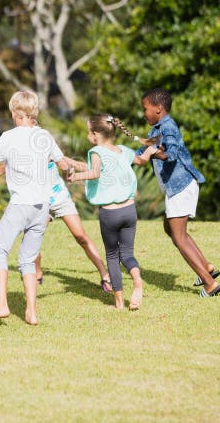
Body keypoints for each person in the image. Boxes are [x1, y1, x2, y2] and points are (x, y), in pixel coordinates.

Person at [0, 90, 70, 326]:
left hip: (20, 205)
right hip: (43, 207)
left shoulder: (10, 137)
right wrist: (69, 170)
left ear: (16, 112)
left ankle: (0, 304)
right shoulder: (44, 136)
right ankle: (31, 312)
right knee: (27, 260)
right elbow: (62, 164)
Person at [0, 159, 113, 294]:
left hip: (60, 199)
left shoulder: (45, 146)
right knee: (31, 240)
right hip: (39, 202)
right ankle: (37, 272)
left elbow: (68, 162)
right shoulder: (18, 153)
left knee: (81, 237)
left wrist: (91, 169)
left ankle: (105, 274)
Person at [136, 88, 220, 298]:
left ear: (158, 108)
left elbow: (172, 153)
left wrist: (156, 153)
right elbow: (142, 153)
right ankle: (207, 267)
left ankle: (210, 283)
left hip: (181, 186)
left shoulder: (168, 126)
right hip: (178, 187)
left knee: (179, 236)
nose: (144, 113)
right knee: (171, 228)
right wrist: (117, 153)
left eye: (145, 109)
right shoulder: (156, 129)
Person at [67, 114, 158, 310]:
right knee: (127, 254)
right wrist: (149, 151)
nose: (87, 135)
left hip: (110, 213)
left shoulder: (96, 151)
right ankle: (137, 281)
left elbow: (95, 173)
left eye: (88, 132)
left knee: (112, 256)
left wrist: (75, 177)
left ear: (95, 134)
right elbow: (141, 161)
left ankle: (119, 303)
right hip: (129, 210)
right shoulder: (122, 150)